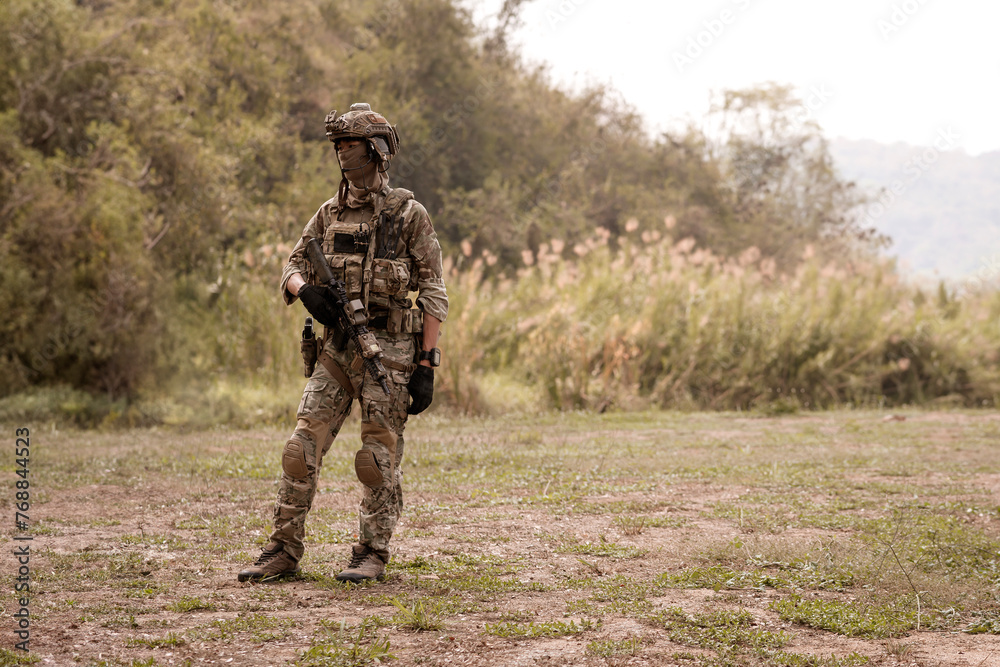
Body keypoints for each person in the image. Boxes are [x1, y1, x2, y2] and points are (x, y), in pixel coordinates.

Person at [237, 103, 447, 583]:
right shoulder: (328, 214)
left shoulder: (408, 215)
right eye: (337, 144)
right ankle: (282, 550)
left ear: (374, 150)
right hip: (336, 349)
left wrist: (426, 364)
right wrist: (304, 291)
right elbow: (292, 265)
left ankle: (371, 551)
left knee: (376, 458)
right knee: (299, 447)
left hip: (389, 353)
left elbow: (434, 292)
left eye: (348, 143)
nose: (340, 151)